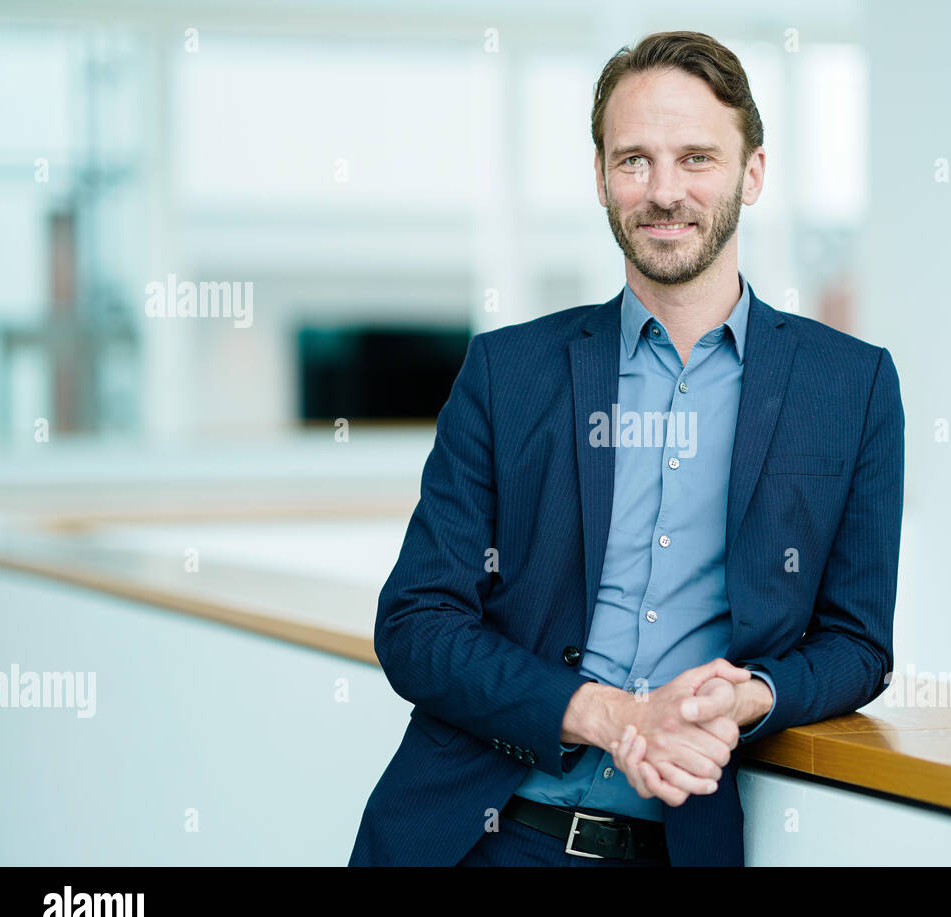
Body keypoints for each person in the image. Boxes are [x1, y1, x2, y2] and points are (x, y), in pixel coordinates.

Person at [348, 29, 903, 867]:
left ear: (753, 174)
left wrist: (752, 695)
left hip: (678, 847)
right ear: (602, 178)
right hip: (474, 837)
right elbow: (416, 623)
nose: (663, 191)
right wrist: (609, 714)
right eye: (634, 159)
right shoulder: (509, 372)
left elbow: (858, 645)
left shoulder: (850, 386)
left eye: (696, 158)